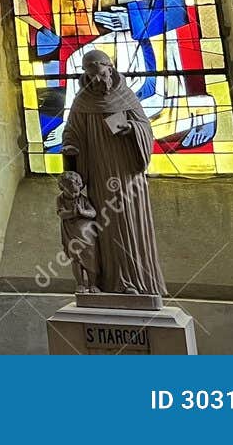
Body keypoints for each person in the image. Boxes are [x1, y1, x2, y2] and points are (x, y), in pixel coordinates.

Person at [62, 48, 164, 297]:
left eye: (101, 74)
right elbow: (71, 132)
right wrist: (71, 146)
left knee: (131, 226)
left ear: (110, 69)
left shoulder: (127, 97)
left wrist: (132, 129)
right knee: (106, 229)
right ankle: (109, 283)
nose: (98, 81)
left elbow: (145, 129)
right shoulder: (82, 102)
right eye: (92, 76)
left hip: (128, 173)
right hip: (99, 173)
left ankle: (138, 282)